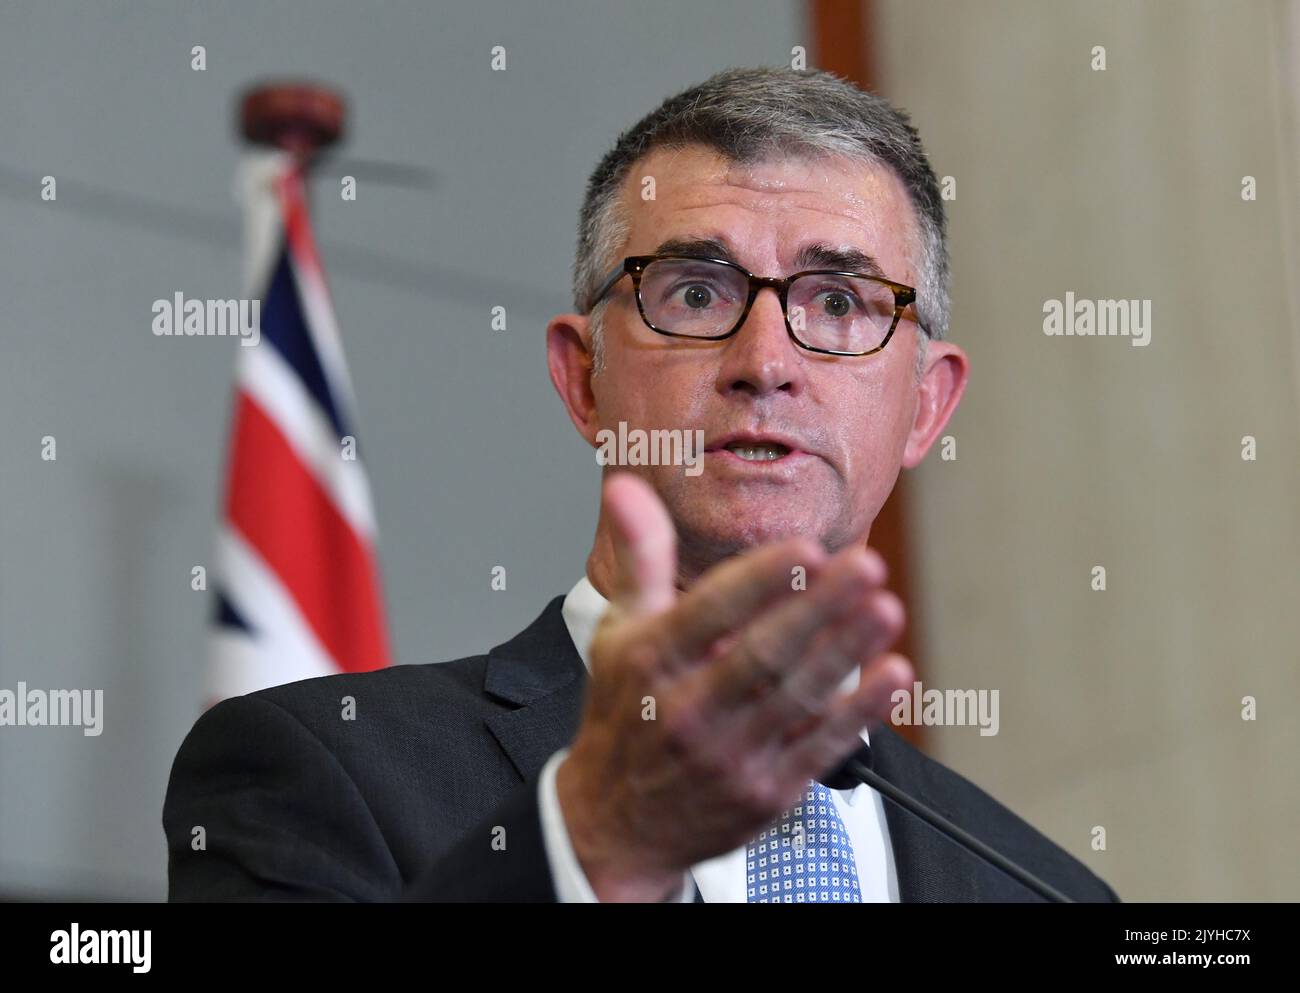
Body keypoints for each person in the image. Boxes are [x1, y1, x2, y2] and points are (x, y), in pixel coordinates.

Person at [164, 66, 1119, 903]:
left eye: (837, 302)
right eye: (696, 292)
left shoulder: (1043, 887)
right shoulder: (318, 768)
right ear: (584, 379)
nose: (765, 361)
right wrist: (597, 854)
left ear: (926, 406)